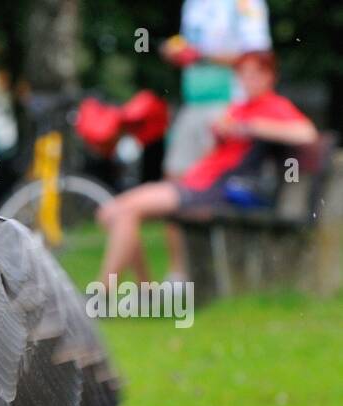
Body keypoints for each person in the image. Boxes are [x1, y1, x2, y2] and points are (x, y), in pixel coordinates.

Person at [95, 51, 316, 287]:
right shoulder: (239, 108)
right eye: (243, 74)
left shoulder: (273, 106)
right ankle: (144, 290)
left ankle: (106, 294)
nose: (248, 80)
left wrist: (251, 127)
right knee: (110, 213)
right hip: (200, 182)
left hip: (219, 189)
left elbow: (307, 133)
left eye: (255, 74)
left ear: (270, 76)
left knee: (123, 212)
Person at [161, 0, 272, 278]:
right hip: (193, 103)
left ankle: (208, 274)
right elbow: (189, 48)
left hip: (229, 105)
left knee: (208, 187)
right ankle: (179, 273)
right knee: (174, 182)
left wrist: (201, 55)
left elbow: (256, 58)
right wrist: (178, 53)